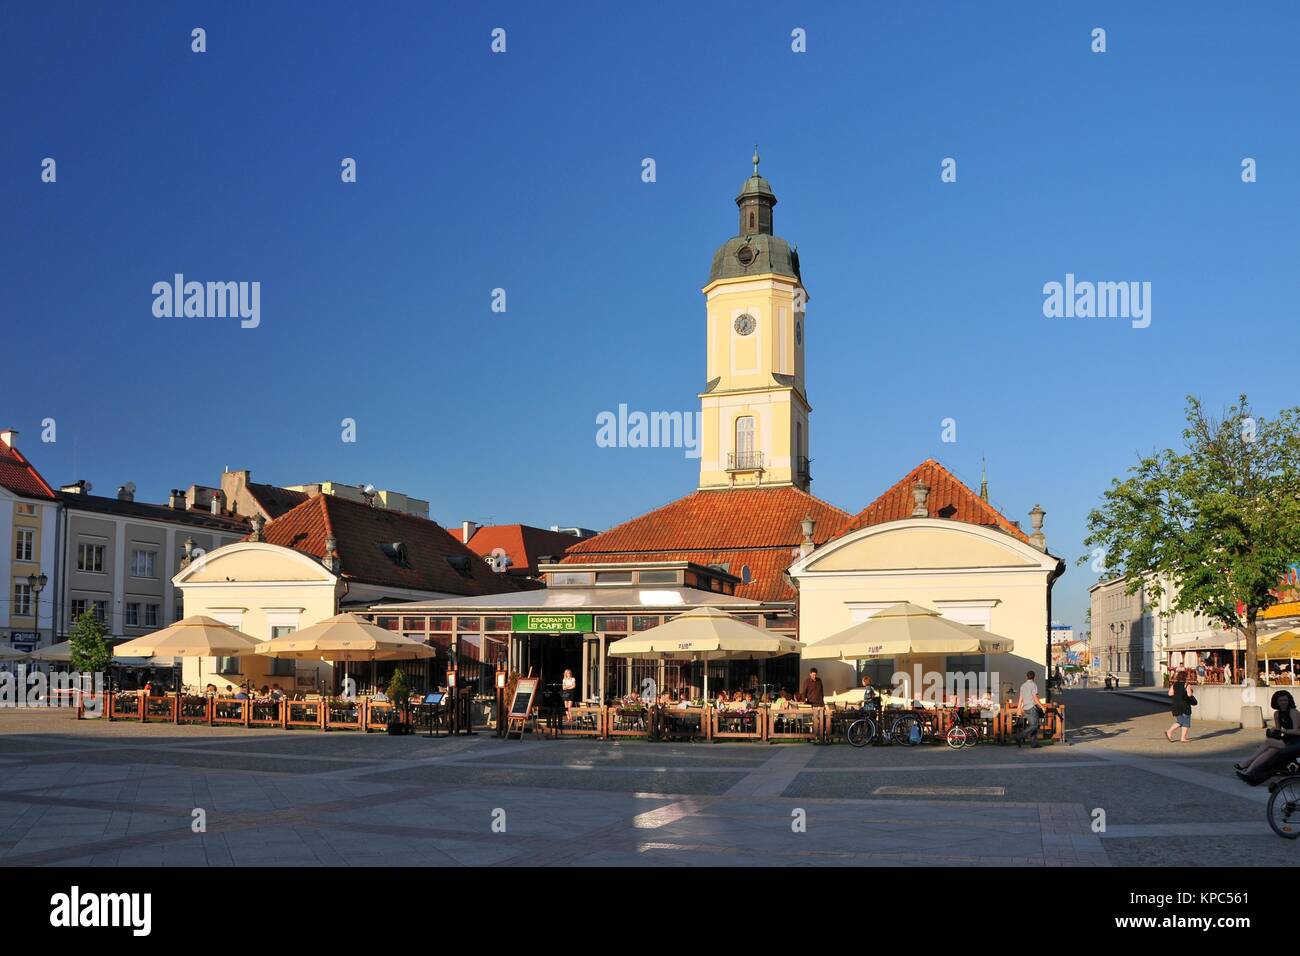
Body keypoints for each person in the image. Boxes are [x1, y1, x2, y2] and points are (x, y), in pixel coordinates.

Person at [1236, 690, 1300, 778]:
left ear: (1289, 701)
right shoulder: (1277, 714)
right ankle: (1249, 772)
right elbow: (1278, 730)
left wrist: (1281, 731)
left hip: (1296, 742)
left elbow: (1296, 731)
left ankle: (1247, 763)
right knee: (1271, 750)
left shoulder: (1293, 712)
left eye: (1286, 700)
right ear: (1276, 702)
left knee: (1268, 742)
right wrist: (1273, 731)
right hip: (1287, 739)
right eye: (1281, 700)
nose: (1284, 702)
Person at [1165, 670, 1196, 743]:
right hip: (1185, 705)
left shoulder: (1174, 684)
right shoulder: (1187, 685)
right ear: (1185, 677)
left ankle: (1169, 732)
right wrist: (1189, 691)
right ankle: (1182, 737)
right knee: (1186, 722)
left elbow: (1170, 693)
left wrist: (1177, 694)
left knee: (1180, 721)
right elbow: (1189, 695)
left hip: (1176, 705)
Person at [1016, 671, 1043, 749]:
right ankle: (1020, 736)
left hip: (1025, 709)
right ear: (1034, 677)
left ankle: (1034, 743)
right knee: (1035, 726)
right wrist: (1041, 706)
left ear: (1026, 677)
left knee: (1032, 726)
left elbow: (1021, 698)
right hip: (1031, 708)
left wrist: (1018, 708)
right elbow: (1035, 698)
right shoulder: (1033, 685)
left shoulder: (1023, 686)